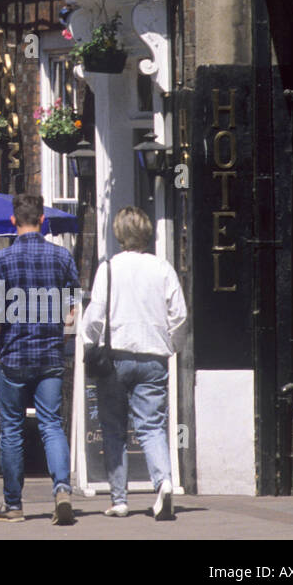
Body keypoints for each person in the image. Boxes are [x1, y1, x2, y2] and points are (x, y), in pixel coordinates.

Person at [81, 205, 187, 521]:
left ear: (119, 234)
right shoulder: (163, 268)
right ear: (146, 233)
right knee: (152, 426)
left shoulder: (109, 268)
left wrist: (89, 342)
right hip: (154, 358)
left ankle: (119, 499)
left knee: (114, 429)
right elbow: (179, 315)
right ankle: (164, 482)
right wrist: (170, 346)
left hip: (115, 359)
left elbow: (95, 315)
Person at [0, 193, 80, 526]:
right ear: (43, 220)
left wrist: (3, 346)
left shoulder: (2, 260)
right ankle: (62, 489)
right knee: (52, 425)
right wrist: (61, 339)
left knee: (11, 429)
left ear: (13, 220)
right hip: (50, 355)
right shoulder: (62, 257)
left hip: (14, 356)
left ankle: (13, 505)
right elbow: (72, 309)